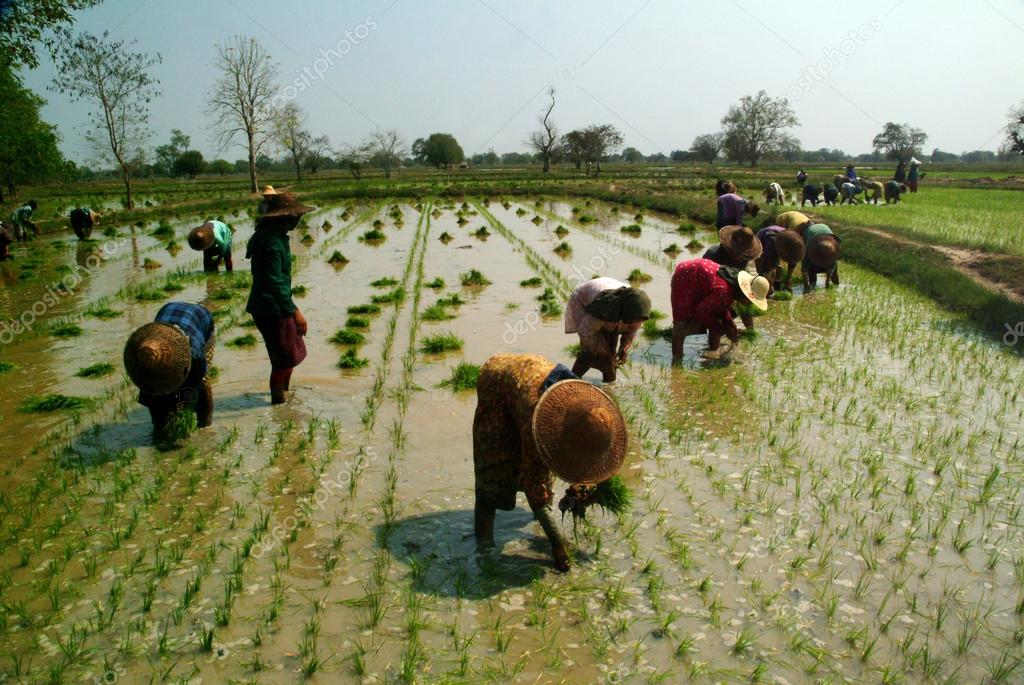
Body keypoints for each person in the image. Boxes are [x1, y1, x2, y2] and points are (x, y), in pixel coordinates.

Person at [473, 353, 628, 572]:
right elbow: (533, 488)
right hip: (497, 381)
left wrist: (586, 488)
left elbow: (599, 462)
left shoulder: (590, 410)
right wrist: (557, 545)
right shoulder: (538, 419)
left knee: (546, 468)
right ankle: (483, 546)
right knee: (493, 462)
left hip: (533, 375)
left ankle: (540, 525)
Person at [246, 192, 312, 404]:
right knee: (283, 360)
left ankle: (285, 395)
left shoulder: (268, 235)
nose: (297, 219)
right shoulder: (273, 243)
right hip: (271, 307)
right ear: (283, 218)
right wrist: (295, 312)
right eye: (294, 216)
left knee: (290, 354)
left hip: (273, 304)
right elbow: (274, 282)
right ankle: (279, 406)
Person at [123, 302, 215, 442]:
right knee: (157, 398)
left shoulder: (194, 353)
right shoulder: (141, 353)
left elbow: (197, 381)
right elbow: (148, 390)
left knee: (201, 387)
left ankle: (205, 425)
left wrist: (183, 405)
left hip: (200, 319)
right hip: (168, 310)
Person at [670, 258, 769, 364]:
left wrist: (730, 326)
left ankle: (712, 352)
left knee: (716, 319)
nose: (749, 303)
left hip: (700, 276)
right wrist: (720, 327)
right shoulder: (723, 291)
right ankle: (677, 362)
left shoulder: (732, 286)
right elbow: (701, 311)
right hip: (685, 276)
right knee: (681, 325)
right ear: (744, 294)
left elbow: (721, 309)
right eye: (750, 300)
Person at [564, 277, 651, 383]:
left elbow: (631, 331)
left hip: (612, 307)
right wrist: (601, 351)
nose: (633, 326)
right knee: (591, 353)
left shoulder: (636, 307)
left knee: (611, 354)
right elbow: (585, 332)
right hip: (585, 301)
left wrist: (624, 348)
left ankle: (608, 386)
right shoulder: (605, 306)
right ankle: (570, 381)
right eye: (630, 324)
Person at [755, 225, 806, 293]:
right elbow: (767, 268)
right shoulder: (771, 246)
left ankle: (776, 285)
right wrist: (768, 285)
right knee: (763, 269)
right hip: (763, 239)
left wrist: (788, 280)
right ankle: (764, 288)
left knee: (777, 267)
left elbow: (792, 263)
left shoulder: (795, 246)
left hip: (783, 238)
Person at [800, 223, 842, 291]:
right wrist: (806, 286)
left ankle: (836, 284)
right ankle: (812, 285)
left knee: (834, 273)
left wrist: (828, 280)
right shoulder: (809, 251)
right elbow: (804, 269)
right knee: (812, 271)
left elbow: (832, 265)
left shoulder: (832, 251)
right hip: (810, 232)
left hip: (825, 231)